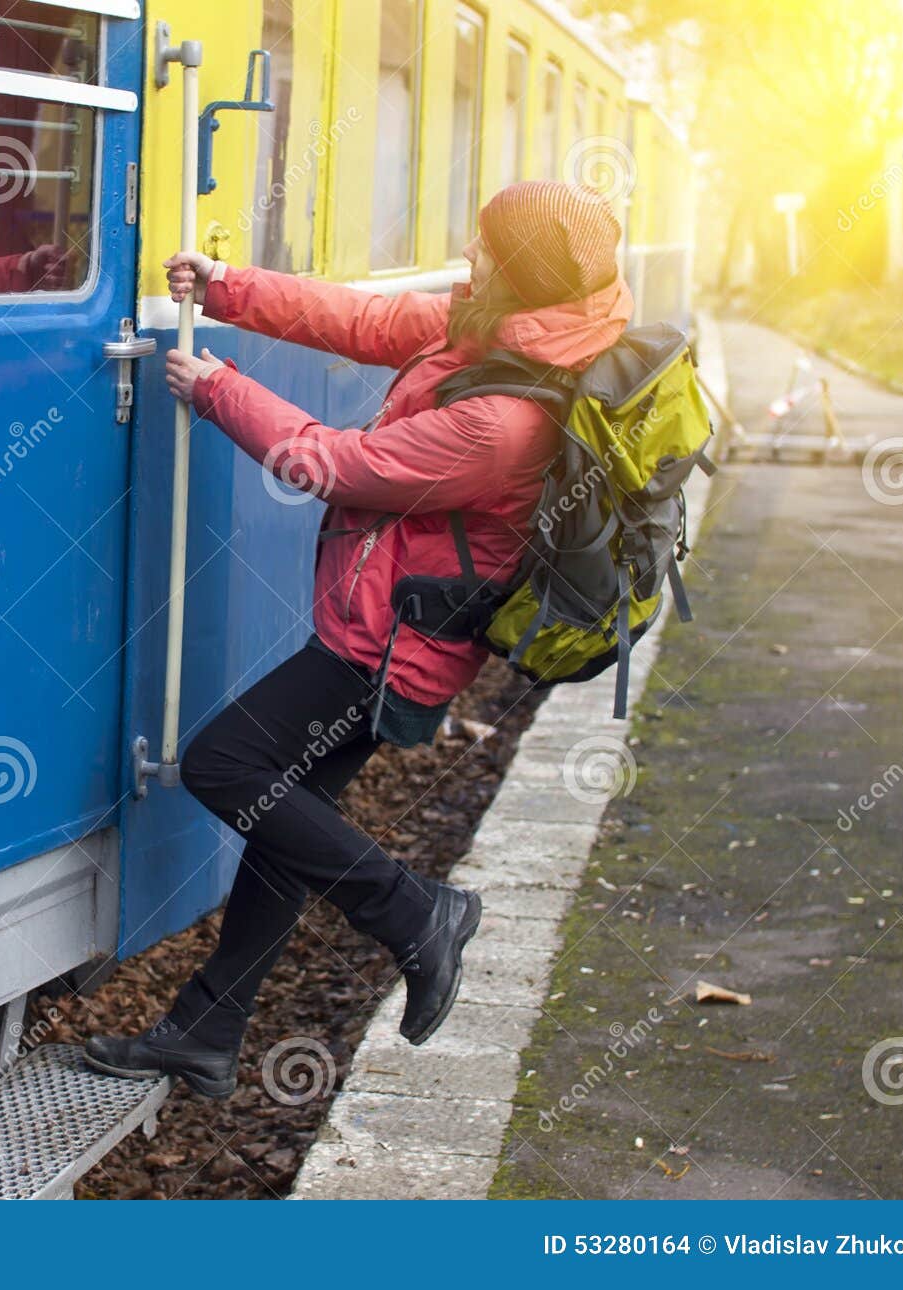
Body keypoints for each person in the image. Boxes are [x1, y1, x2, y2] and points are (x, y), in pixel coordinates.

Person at [84, 181, 635, 1099]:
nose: (468, 253)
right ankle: (206, 1030)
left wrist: (217, 386)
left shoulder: (505, 421)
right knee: (284, 825)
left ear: (520, 272)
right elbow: (366, 320)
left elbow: (337, 466)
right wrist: (227, 287)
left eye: (484, 245)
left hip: (387, 654)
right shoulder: (501, 328)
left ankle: (417, 913)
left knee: (227, 768)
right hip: (382, 629)